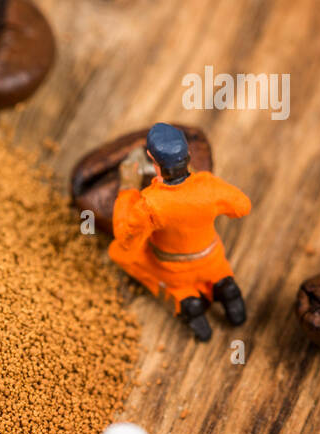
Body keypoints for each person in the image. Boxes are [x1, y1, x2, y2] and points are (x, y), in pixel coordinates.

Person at [108, 122, 252, 341]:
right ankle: (223, 285)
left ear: (152, 159)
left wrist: (128, 188)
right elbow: (242, 206)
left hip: (172, 269)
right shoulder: (208, 185)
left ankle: (184, 301)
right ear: (188, 155)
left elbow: (124, 235)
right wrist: (198, 186)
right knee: (216, 267)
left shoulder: (150, 204)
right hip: (211, 257)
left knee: (117, 252)